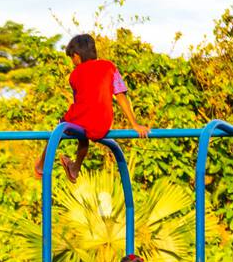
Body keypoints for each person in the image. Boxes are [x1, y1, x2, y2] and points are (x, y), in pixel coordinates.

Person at [35, 33, 149, 181]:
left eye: (72, 58)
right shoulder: (110, 67)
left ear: (76, 55)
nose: (72, 62)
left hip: (81, 120)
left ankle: (41, 165)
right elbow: (120, 95)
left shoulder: (75, 74)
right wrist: (135, 124)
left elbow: (79, 103)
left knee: (60, 129)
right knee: (83, 132)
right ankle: (75, 168)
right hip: (102, 124)